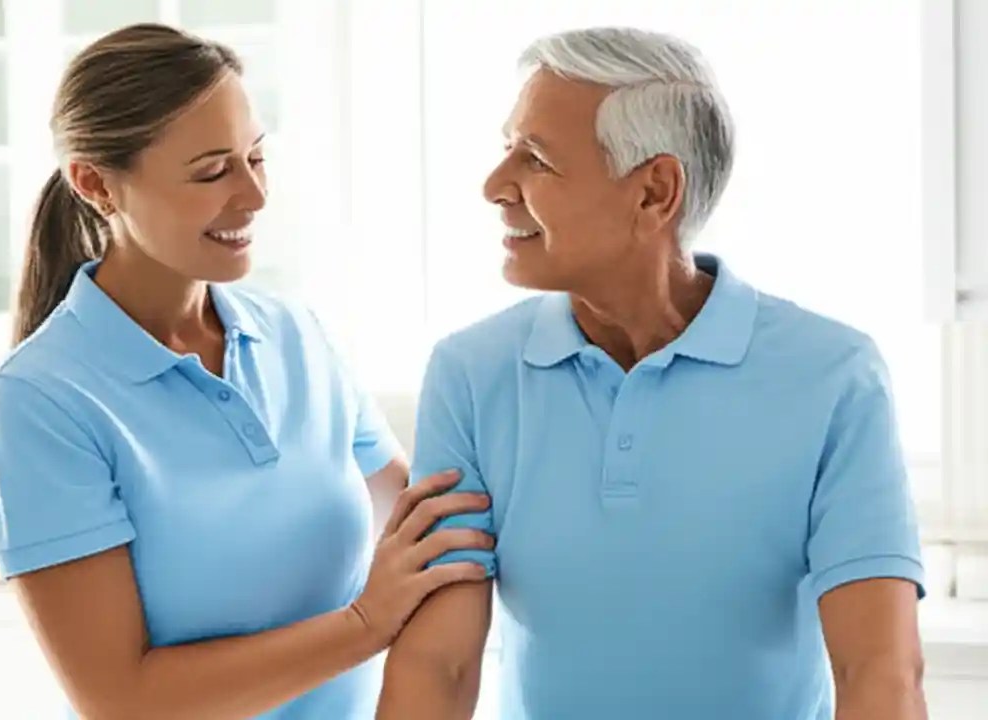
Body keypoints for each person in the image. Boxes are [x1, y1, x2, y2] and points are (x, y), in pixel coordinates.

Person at [378, 26, 927, 720]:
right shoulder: (471, 374)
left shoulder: (834, 376)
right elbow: (439, 664)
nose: (495, 185)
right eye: (506, 148)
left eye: (536, 158)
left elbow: (880, 673)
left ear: (654, 192)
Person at [0, 24, 492, 720]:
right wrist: (365, 625)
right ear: (95, 184)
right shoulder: (39, 404)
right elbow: (123, 699)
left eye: (256, 158)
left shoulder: (299, 338)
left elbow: (425, 526)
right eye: (213, 171)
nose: (253, 195)